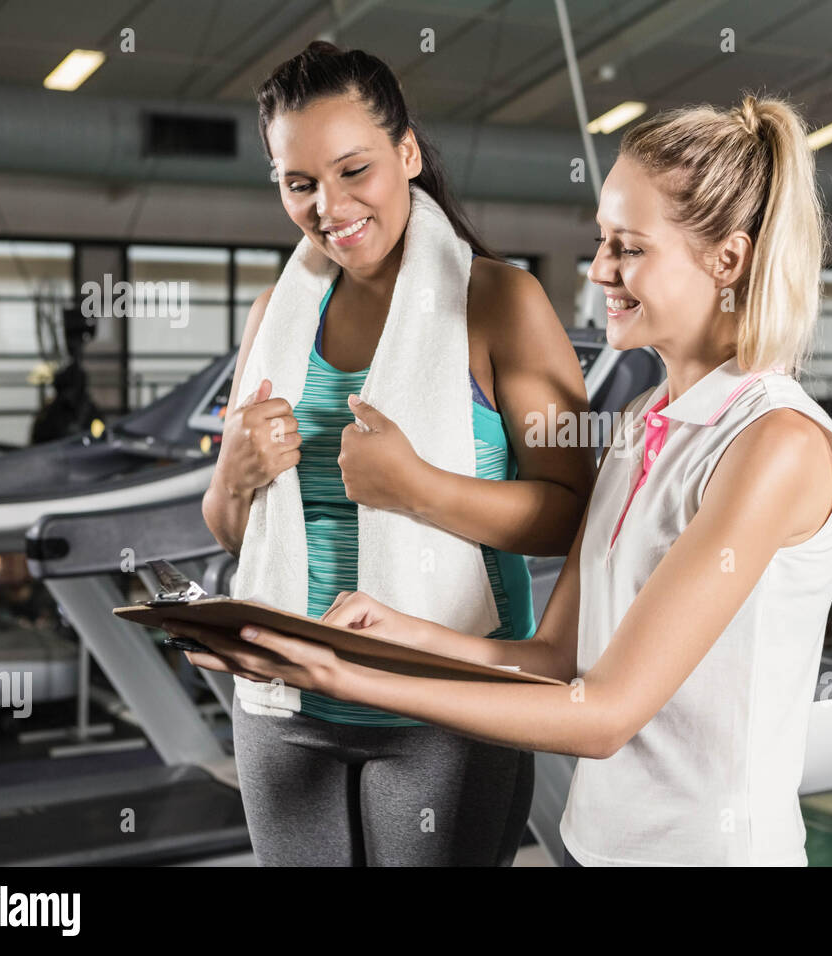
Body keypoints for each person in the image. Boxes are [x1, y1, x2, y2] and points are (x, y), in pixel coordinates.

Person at [180, 93, 832, 866]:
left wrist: (343, 674)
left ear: (726, 261)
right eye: (601, 241)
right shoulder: (639, 422)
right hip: (596, 850)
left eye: (628, 248)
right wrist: (398, 634)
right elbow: (555, 658)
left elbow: (602, 715)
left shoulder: (777, 442)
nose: (599, 269)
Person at [199, 41, 595, 866]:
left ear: (406, 153)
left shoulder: (498, 301)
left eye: (354, 171)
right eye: (298, 183)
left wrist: (419, 489)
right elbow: (229, 527)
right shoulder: (277, 312)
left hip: (442, 708)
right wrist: (234, 477)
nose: (328, 206)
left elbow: (575, 515)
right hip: (284, 702)